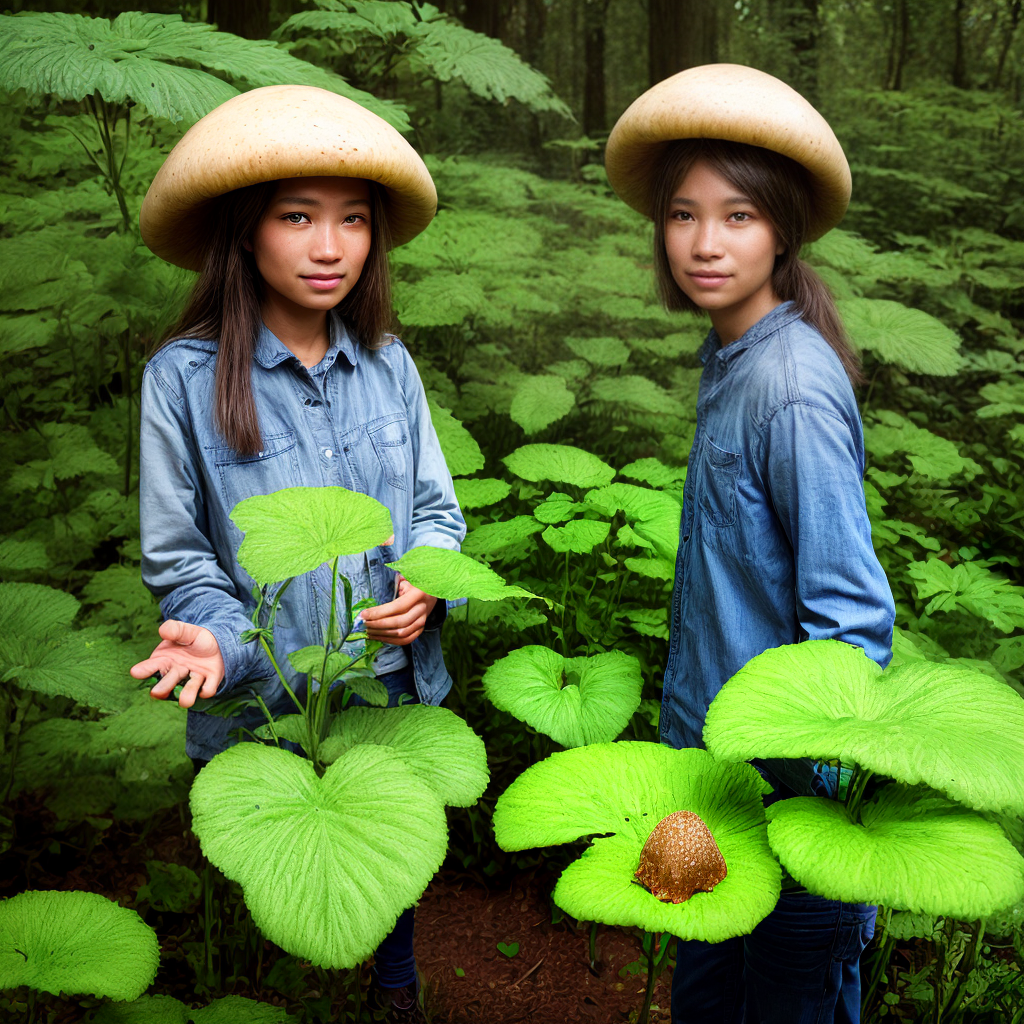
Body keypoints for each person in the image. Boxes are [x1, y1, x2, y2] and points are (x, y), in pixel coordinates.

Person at [128, 85, 465, 1022]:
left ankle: (397, 992)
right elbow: (182, 559)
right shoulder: (184, 383)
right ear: (245, 231)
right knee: (284, 917)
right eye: (298, 217)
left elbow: (437, 510)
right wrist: (228, 646)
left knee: (383, 855)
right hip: (263, 713)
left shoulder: (389, 365)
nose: (330, 248)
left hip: (386, 685)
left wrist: (427, 587)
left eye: (353, 220)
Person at [605, 65, 896, 1023]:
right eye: (684, 215)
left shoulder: (793, 387)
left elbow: (852, 623)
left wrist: (812, 812)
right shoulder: (735, 355)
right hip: (715, 773)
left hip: (784, 794)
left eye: (737, 217)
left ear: (782, 229)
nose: (704, 243)